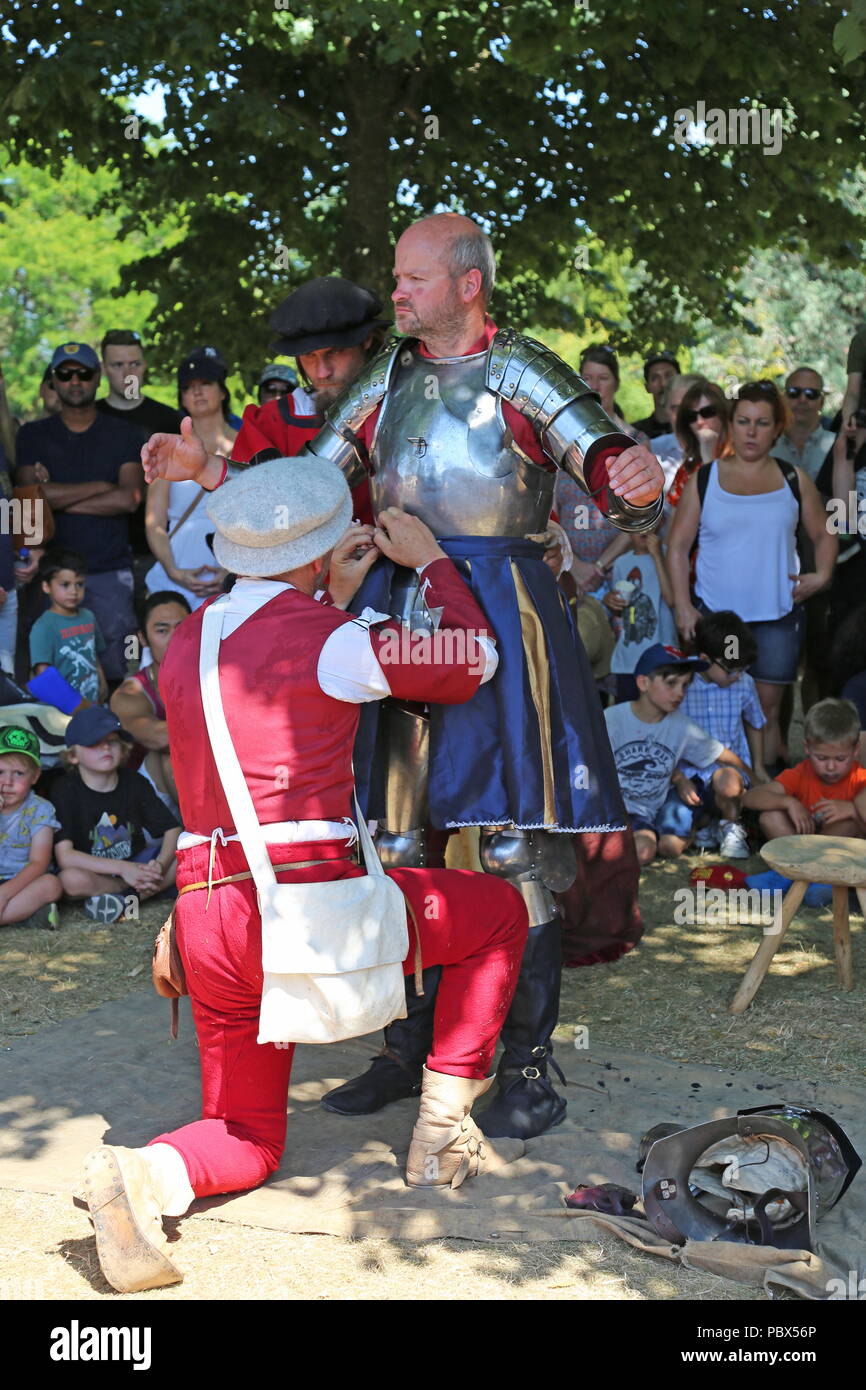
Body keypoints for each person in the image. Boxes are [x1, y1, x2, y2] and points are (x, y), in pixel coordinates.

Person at [141, 211, 665, 1140]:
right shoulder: (387, 374)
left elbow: (612, 462)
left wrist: (635, 475)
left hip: (503, 605)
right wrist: (211, 466)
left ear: (468, 283)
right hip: (397, 594)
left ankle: (530, 1065)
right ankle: (408, 1050)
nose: (396, 293)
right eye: (396, 278)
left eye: (412, 279)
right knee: (400, 837)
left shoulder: (524, 368)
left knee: (514, 849)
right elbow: (309, 486)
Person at [79, 459, 531, 1294]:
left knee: (245, 1134)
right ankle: (439, 1131)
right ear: (320, 551)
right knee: (500, 912)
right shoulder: (333, 639)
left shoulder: (188, 639)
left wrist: (329, 596)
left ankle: (146, 1176)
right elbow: (473, 660)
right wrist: (431, 562)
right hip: (302, 909)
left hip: (202, 912)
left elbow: (269, 668)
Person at [667, 381, 837, 769]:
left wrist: (821, 575)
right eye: (743, 421)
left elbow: (824, 532)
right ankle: (724, 795)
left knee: (768, 709)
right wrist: (683, 606)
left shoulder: (793, 478)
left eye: (762, 422)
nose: (751, 431)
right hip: (722, 621)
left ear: (777, 427)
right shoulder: (706, 479)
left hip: (777, 618)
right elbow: (676, 546)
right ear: (732, 424)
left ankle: (766, 793)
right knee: (727, 699)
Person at [14, 343, 143, 685]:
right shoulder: (32, 435)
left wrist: (53, 496)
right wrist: (102, 485)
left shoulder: (125, 434)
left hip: (109, 573)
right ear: (53, 381)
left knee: (117, 668)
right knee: (47, 673)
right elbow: (27, 500)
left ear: (98, 377)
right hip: (48, 575)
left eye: (83, 373)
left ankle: (117, 737)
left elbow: (129, 499)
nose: (75, 381)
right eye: (65, 373)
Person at [604, 644, 750, 866]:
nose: (680, 693)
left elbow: (720, 753)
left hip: (647, 811)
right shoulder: (611, 719)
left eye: (685, 685)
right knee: (633, 850)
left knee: (663, 849)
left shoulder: (681, 726)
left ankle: (695, 826)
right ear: (643, 682)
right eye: (671, 683)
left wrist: (757, 779)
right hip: (613, 809)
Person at [50, 706, 180, 924]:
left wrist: (159, 865)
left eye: (113, 740)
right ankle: (132, 894)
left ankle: (126, 900)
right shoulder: (64, 790)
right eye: (94, 742)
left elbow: (172, 829)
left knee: (185, 855)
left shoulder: (134, 781)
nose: (105, 747)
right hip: (95, 869)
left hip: (139, 862)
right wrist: (124, 870)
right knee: (69, 880)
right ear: (73, 755)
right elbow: (66, 857)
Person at [556, 343, 650, 596]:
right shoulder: (559, 438)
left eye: (603, 378)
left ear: (616, 383)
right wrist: (573, 565)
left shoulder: (635, 442)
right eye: (587, 378)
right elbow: (547, 512)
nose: (595, 386)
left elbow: (641, 519)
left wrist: (598, 567)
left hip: (620, 571)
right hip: (566, 572)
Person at [679, 609, 769, 858]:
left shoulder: (744, 683)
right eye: (730, 670)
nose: (737, 675)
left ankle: (730, 824)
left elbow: (755, 722)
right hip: (691, 773)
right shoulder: (683, 685)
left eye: (742, 668)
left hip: (733, 772)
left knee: (728, 780)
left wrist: (758, 765)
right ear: (706, 659)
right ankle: (707, 822)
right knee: (675, 835)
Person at [110, 589, 190, 812]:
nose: (175, 638)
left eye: (182, 628)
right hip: (148, 810)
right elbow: (162, 738)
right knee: (168, 756)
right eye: (162, 630)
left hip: (205, 782)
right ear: (143, 638)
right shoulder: (130, 692)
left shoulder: (213, 676)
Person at [743, 698, 866, 841]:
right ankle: (796, 861)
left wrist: (852, 810)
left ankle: (813, 859)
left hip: (836, 851)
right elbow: (750, 797)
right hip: (803, 843)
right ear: (807, 748)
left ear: (856, 750)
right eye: (821, 758)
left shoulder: (860, 778)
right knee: (770, 818)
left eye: (840, 759)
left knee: (849, 823)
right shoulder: (802, 773)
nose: (831, 767)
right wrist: (789, 803)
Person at [602, 515, 677, 702]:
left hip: (662, 655)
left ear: (660, 523)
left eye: (648, 521)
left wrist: (658, 556)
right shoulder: (621, 563)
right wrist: (610, 601)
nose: (643, 528)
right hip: (628, 660)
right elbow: (620, 610)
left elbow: (672, 600)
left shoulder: (670, 555)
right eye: (635, 523)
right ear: (626, 530)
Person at [0, 725, 62, 930]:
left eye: (18, 773)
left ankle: (15, 911)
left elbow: (39, 863)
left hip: (22, 882)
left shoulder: (40, 810)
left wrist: (5, 893)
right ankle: (26, 916)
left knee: (51, 884)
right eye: (0, 771)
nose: (7, 782)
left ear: (35, 776)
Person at [29, 548, 107, 704]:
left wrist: (102, 682)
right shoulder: (43, 626)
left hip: (91, 700)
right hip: (61, 709)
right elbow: (43, 674)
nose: (74, 591)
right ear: (46, 587)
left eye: (79, 584)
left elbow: (93, 655)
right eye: (65, 584)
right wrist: (74, 705)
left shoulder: (88, 616)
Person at [96, 331, 181, 435]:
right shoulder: (84, 419)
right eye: (118, 365)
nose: (128, 374)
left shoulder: (171, 420)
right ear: (103, 368)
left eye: (135, 364)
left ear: (145, 365)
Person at [665, 379, 732, 509]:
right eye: (691, 416)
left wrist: (709, 458)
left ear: (724, 414)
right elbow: (676, 522)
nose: (699, 421)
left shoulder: (746, 459)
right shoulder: (688, 469)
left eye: (708, 412)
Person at [177, 347, 239, 458]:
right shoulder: (173, 450)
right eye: (187, 387)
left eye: (206, 383)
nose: (197, 392)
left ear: (223, 392)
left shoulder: (249, 443)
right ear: (182, 400)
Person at [631, 351, 682, 439]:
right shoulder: (635, 433)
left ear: (680, 381)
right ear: (647, 387)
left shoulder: (696, 424)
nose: (663, 384)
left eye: (669, 376)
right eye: (655, 378)